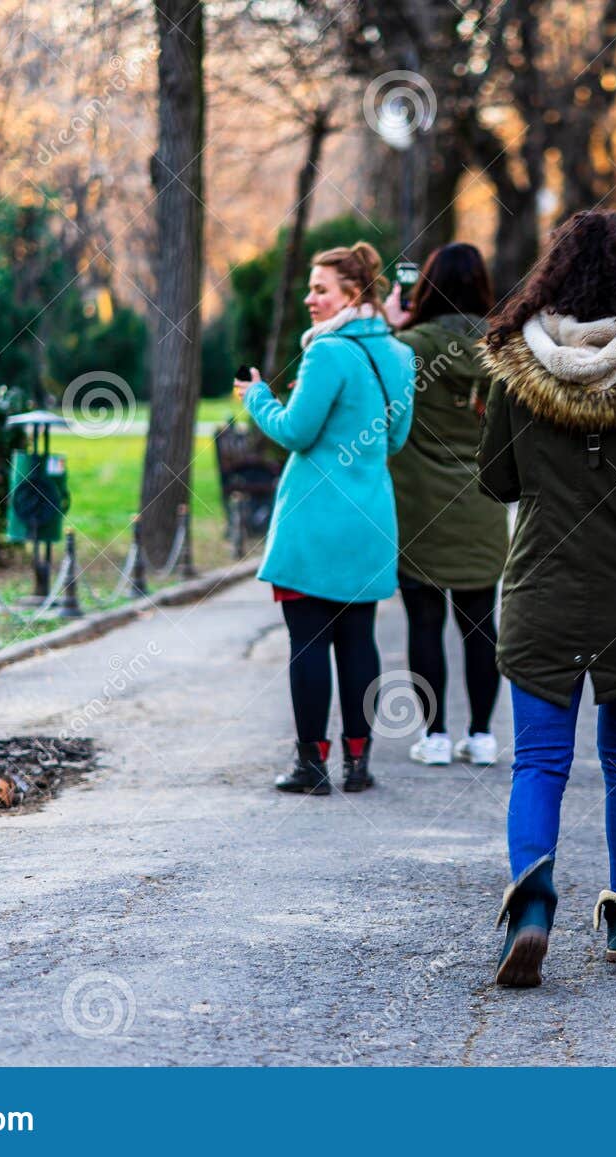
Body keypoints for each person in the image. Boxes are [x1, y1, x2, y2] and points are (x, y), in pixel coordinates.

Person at [477, 209, 616, 988]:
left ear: (555, 274)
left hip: (541, 584)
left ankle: (532, 905)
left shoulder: (518, 366)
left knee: (539, 760)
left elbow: (496, 479)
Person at [235, 242, 416, 796]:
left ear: (352, 294)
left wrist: (258, 397)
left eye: (321, 288)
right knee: (359, 639)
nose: (309, 297)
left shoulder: (326, 353)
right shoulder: (401, 355)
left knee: (309, 643)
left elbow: (294, 431)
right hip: (370, 516)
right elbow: (397, 438)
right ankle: (358, 763)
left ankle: (311, 766)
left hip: (315, 518)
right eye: (310, 287)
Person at [381, 243, 508, 769]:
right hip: (480, 502)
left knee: (423, 623)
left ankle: (434, 735)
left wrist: (392, 326)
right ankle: (481, 736)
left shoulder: (406, 348)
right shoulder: (500, 348)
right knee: (481, 625)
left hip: (419, 504)